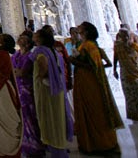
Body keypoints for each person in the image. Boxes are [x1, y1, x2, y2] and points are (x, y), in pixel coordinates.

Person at [70, 21, 123, 154]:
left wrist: (73, 61)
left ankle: (101, 142)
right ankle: (89, 142)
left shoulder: (90, 46)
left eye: (80, 28)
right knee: (86, 110)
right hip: (83, 81)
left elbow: (94, 67)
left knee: (95, 110)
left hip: (90, 83)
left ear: (86, 31)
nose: (78, 29)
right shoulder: (83, 45)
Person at [33, 27, 74, 158]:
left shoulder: (40, 52)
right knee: (57, 116)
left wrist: (37, 77)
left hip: (46, 89)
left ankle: (55, 146)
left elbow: (42, 70)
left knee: (50, 117)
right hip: (57, 87)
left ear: (40, 39)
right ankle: (58, 145)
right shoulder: (53, 51)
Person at [13, 31, 43, 157]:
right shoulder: (17, 54)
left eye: (22, 41)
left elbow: (23, 72)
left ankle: (34, 143)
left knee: (30, 114)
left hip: (27, 87)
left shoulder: (30, 56)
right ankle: (25, 141)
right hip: (19, 86)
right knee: (21, 114)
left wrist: (16, 71)